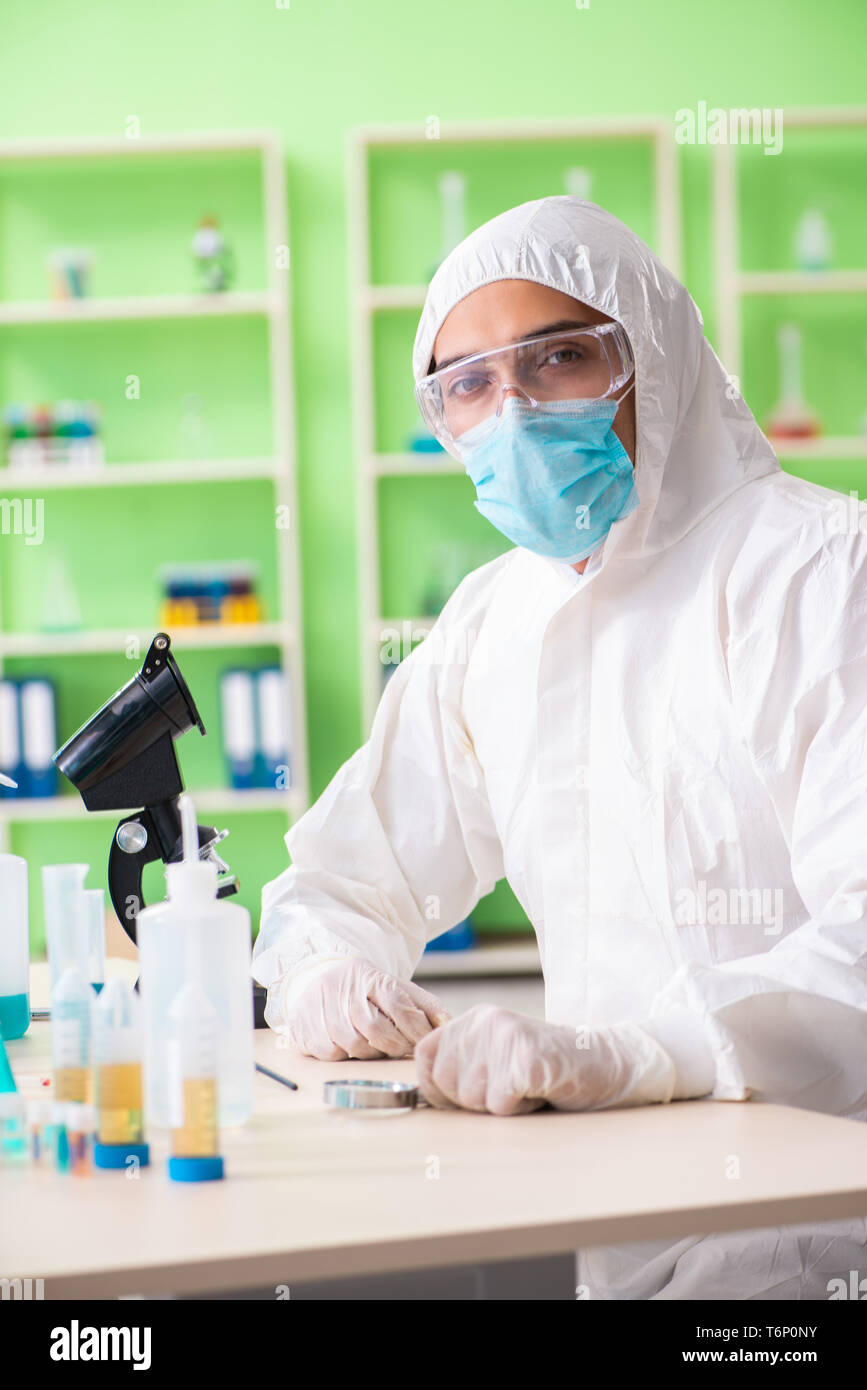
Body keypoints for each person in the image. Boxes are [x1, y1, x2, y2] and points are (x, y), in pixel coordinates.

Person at [252, 196, 867, 1299]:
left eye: (563, 358)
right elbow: (342, 878)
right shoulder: (492, 623)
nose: (518, 412)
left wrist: (638, 1052)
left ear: (658, 353)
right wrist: (324, 972)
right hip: (616, 1226)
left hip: (822, 1236)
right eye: (470, 385)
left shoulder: (819, 572)